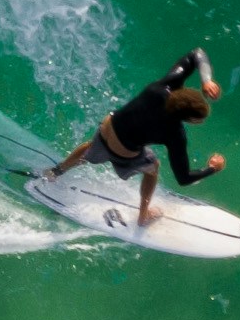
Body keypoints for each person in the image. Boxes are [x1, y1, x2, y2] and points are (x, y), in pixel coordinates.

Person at [45, 49, 227, 229]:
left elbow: (196, 54)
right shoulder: (175, 133)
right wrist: (212, 168)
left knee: (89, 148)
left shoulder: (162, 87)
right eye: (198, 119)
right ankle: (143, 215)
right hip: (122, 152)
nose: (201, 121)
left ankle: (55, 172)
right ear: (188, 119)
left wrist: (207, 80)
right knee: (153, 167)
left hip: (106, 129)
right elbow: (184, 178)